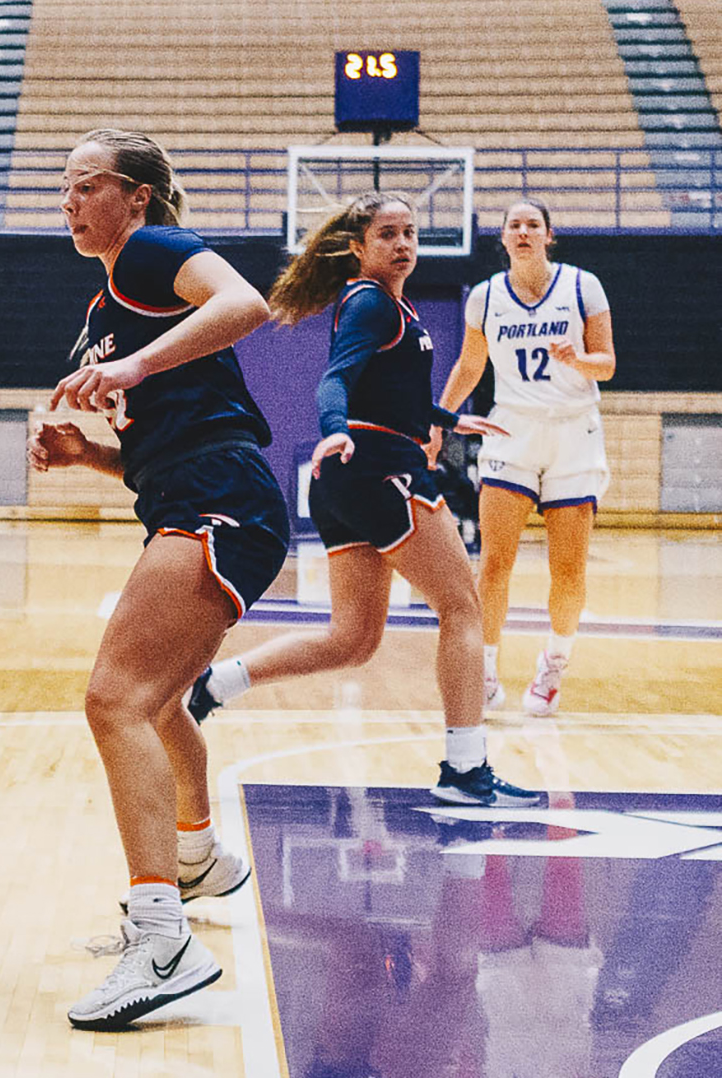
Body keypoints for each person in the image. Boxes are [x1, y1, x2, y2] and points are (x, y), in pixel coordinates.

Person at [29, 129, 284, 1030]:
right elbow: (160, 446)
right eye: (63, 187)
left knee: (115, 702)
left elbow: (246, 301)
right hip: (191, 489)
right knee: (158, 701)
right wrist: (89, 455)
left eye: (86, 184)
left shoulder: (151, 250)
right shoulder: (109, 303)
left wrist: (133, 364)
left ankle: (162, 938)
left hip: (221, 495)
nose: (69, 200)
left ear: (136, 196)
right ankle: (198, 857)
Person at [183, 193, 537, 810]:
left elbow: (388, 395)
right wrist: (334, 426)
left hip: (349, 480)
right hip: (378, 470)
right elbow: (337, 379)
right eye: (387, 234)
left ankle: (217, 683)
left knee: (353, 639)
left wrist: (447, 418)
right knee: (462, 607)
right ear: (358, 247)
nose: (402, 244)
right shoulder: (371, 301)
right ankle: (465, 768)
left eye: (410, 233)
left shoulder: (386, 306)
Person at [435, 200, 615, 716]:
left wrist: (578, 359)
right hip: (511, 430)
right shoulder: (487, 298)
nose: (522, 231)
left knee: (569, 570)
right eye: (514, 225)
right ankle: (486, 669)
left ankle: (554, 663)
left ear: (547, 235)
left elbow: (607, 363)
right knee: (493, 563)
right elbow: (470, 366)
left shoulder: (584, 286)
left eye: (532, 224)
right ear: (504, 237)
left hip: (573, 433)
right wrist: (438, 421)